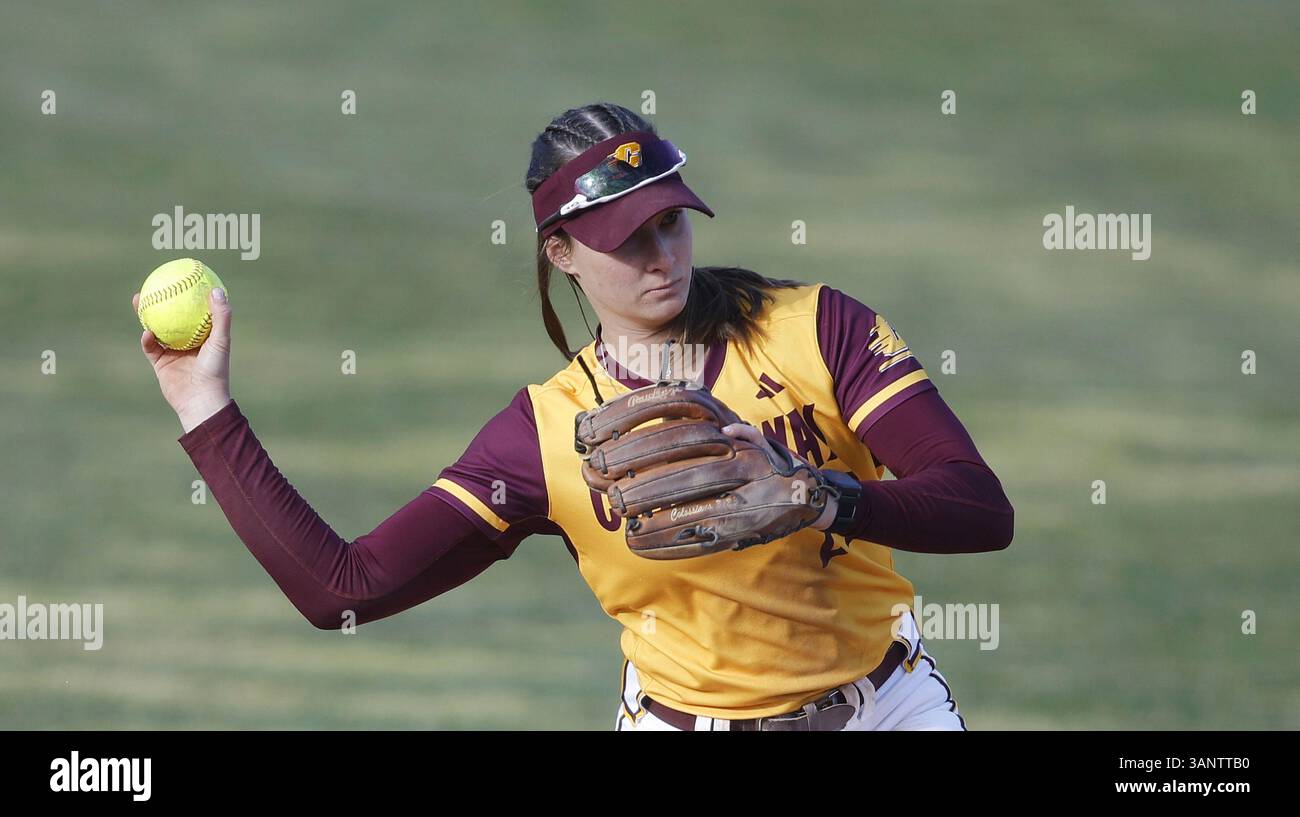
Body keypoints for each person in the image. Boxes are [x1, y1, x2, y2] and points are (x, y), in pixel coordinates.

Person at [132, 102, 1013, 731]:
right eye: (628, 235)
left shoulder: (817, 327)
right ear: (560, 252)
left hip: (888, 707)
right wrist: (202, 404)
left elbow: (980, 507)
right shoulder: (543, 434)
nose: (661, 253)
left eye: (672, 220)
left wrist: (820, 495)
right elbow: (344, 591)